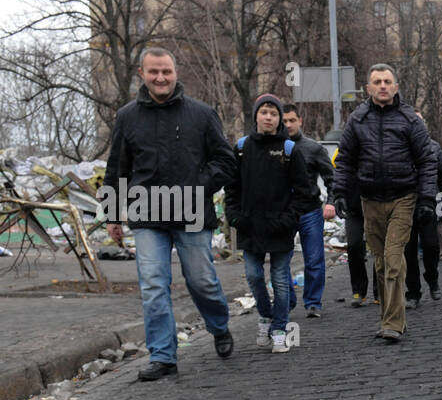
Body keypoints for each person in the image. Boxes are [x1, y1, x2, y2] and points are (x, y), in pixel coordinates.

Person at [104, 47, 237, 381]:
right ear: (142, 74)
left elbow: (225, 162)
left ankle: (219, 326)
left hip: (191, 209)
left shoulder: (202, 114)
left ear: (176, 73)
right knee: (152, 284)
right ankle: (163, 355)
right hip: (146, 213)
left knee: (201, 280)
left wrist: (199, 185)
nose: (160, 78)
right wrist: (111, 214)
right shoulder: (127, 116)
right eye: (153, 72)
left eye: (166, 71)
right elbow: (117, 166)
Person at [329, 64, 438, 343]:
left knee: (392, 259)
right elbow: (344, 161)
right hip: (370, 200)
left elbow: (427, 160)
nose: (382, 86)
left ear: (396, 87)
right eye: (377, 82)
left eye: (387, 81)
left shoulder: (409, 120)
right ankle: (389, 316)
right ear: (368, 88)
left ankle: (393, 323)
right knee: (379, 261)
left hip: (403, 197)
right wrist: (338, 193)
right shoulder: (358, 119)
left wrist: (426, 199)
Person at [225, 94, 316, 354]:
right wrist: (234, 217)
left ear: (280, 120)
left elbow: (304, 192)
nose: (268, 117)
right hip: (250, 226)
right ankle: (264, 315)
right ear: (255, 116)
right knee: (254, 276)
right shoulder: (241, 148)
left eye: (273, 114)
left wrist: (289, 218)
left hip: (280, 228)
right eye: (264, 112)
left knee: (280, 280)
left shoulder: (289, 150)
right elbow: (232, 187)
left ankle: (279, 329)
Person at [281, 103, 334, 318]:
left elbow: (332, 177)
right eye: (284, 121)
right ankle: (288, 299)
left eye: (292, 120)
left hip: (310, 210)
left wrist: (331, 202)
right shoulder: (273, 149)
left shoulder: (313, 148)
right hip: (283, 212)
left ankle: (313, 302)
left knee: (313, 259)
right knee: (281, 259)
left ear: (300, 121)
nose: (288, 125)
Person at [405, 139, 442, 307]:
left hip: (427, 203)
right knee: (408, 251)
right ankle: (413, 292)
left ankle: (432, 278)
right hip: (403, 204)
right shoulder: (398, 143)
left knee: (431, 245)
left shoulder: (433, 147)